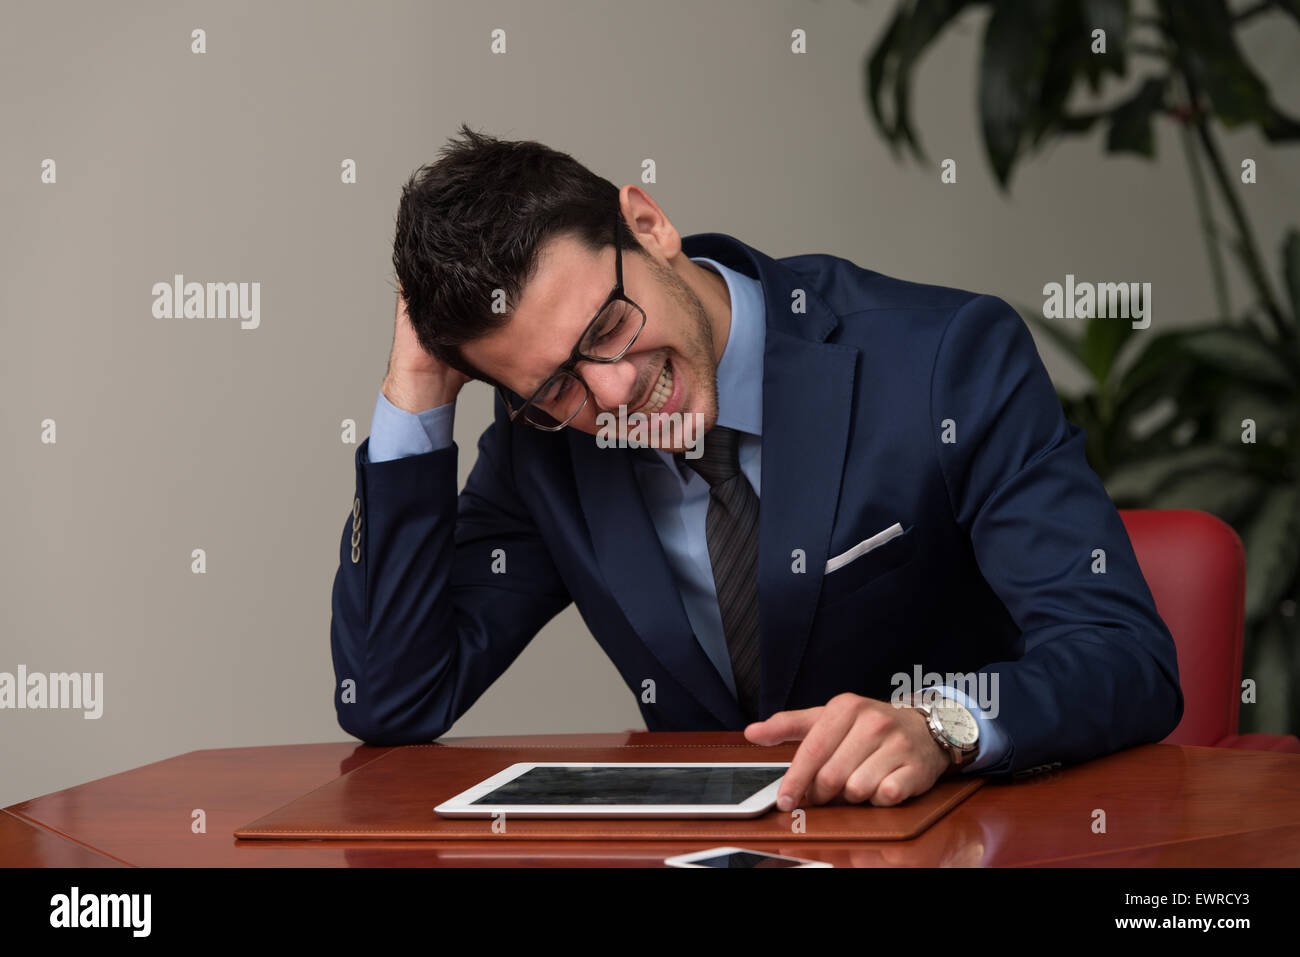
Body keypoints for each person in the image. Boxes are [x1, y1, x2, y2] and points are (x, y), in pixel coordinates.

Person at [329, 125, 1183, 809]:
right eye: (557, 382)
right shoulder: (543, 441)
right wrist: (415, 392)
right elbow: (393, 696)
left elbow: (1122, 654)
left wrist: (943, 722)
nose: (615, 388)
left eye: (606, 326)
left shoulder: (940, 362)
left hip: (956, 840)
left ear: (648, 225)